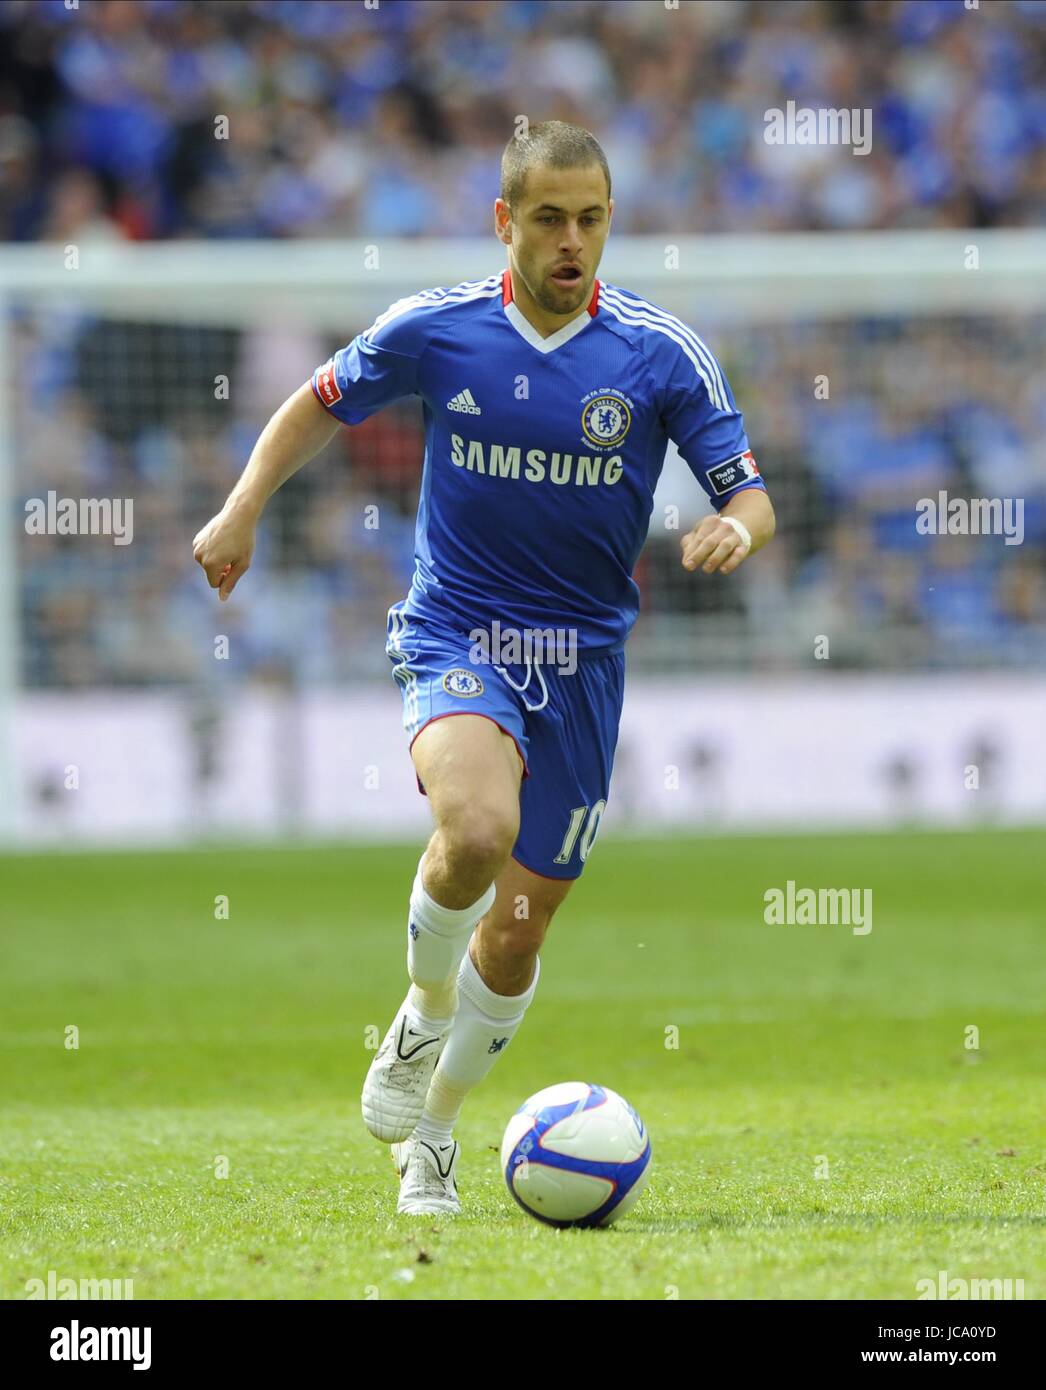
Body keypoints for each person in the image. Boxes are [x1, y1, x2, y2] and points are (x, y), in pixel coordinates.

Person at [192, 120, 775, 1216]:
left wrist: (738, 528)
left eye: (591, 220)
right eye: (548, 219)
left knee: (516, 934)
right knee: (472, 830)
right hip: (458, 630)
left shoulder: (658, 352)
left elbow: (747, 489)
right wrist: (240, 508)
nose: (571, 241)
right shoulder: (439, 330)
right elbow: (318, 402)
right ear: (504, 222)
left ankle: (437, 1136)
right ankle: (416, 1014)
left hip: (583, 662)